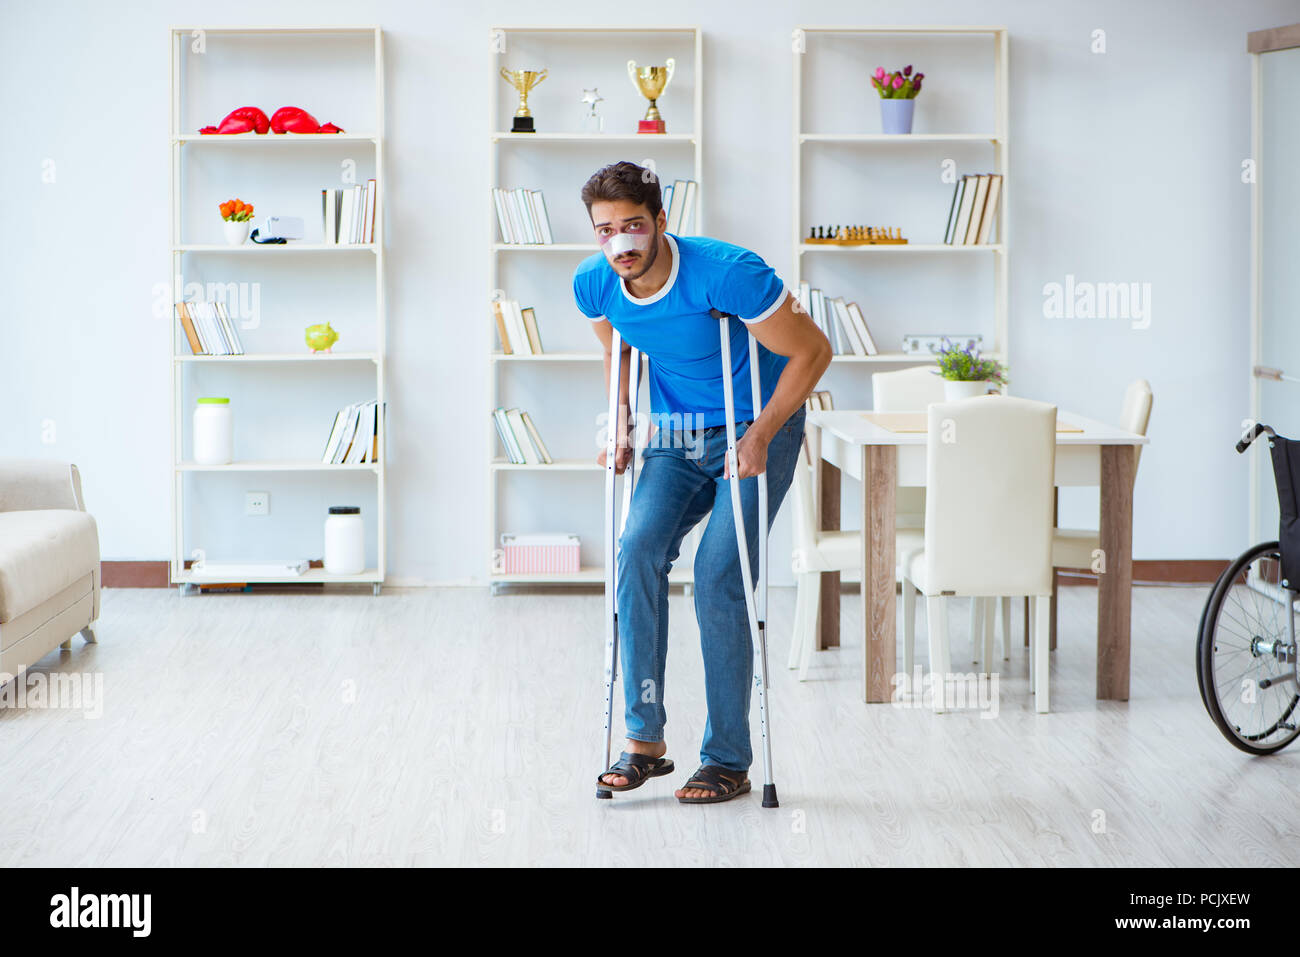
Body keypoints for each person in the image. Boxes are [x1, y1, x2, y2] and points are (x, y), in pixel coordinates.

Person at [573, 161, 831, 804]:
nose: (620, 242)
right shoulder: (594, 283)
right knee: (636, 551)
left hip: (757, 424)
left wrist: (761, 435)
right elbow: (617, 349)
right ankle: (644, 742)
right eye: (605, 230)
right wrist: (622, 423)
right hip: (677, 434)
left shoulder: (727, 272)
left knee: (719, 574)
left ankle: (726, 760)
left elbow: (813, 351)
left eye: (634, 225)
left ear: (661, 220)